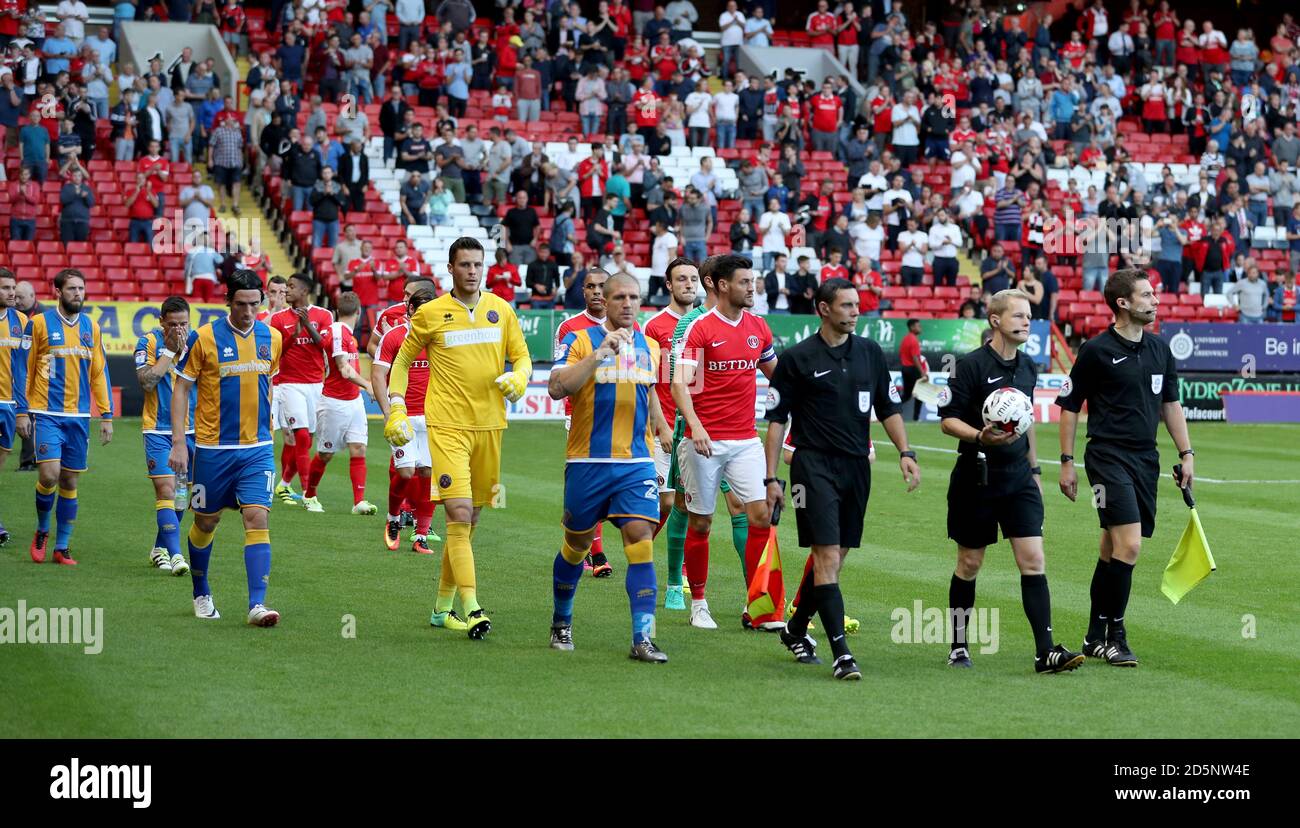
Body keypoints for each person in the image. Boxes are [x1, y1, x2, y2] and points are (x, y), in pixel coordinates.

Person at [764, 278, 920, 679]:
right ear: (823, 309)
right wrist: (771, 478)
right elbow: (777, 419)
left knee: (836, 558)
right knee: (827, 556)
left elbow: (887, 407)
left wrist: (905, 452)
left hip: (857, 466)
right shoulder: (796, 358)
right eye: (847, 305)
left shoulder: (869, 352)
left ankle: (796, 628)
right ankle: (841, 654)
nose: (855, 311)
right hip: (811, 466)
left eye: (856, 305)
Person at [383, 237, 533, 640]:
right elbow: (400, 364)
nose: (472, 271)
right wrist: (397, 406)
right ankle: (473, 607)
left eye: (477, 264)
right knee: (459, 514)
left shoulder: (500, 310)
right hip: (446, 426)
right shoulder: (430, 314)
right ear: (450, 268)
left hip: (490, 427)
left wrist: (519, 377)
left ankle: (441, 608)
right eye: (464, 264)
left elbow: (522, 356)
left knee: (471, 521)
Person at [939, 289, 1084, 673]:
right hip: (976, 475)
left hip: (1018, 477)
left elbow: (1026, 424)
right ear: (996, 321)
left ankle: (1046, 651)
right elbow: (947, 421)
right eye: (1018, 315)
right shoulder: (968, 366)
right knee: (970, 563)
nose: (1026, 321)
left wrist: (1035, 470)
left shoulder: (1028, 367)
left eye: (1029, 315)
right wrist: (979, 436)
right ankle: (957, 645)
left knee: (1033, 559)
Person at [1057, 269, 1194, 668]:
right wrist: (1067, 463)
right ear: (1123, 303)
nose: (1154, 300)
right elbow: (1069, 406)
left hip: (1144, 459)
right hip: (1105, 458)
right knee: (1129, 546)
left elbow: (1170, 405)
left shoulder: (1160, 349)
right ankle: (1117, 636)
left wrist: (1187, 452)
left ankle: (1094, 636)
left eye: (1154, 294)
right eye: (1146, 295)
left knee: (1111, 548)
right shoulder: (1096, 350)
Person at [546, 271, 673, 661]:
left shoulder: (651, 347)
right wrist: (599, 353)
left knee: (640, 540)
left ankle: (643, 637)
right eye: (619, 297)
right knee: (576, 546)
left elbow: (648, 389)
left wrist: (661, 423)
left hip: (635, 462)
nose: (628, 304)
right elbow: (556, 387)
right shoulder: (579, 339)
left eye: (634, 297)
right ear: (605, 300)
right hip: (587, 461)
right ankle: (562, 620)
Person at [170, 269, 283, 626]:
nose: (248, 311)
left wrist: (276, 426)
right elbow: (182, 389)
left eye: (254, 304)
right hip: (212, 449)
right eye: (241, 304)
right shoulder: (203, 338)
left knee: (257, 516)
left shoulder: (272, 337)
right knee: (207, 520)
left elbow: (269, 384)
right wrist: (178, 442)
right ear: (227, 302)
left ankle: (257, 605)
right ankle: (201, 592)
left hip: (258, 448)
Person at [672, 254, 778, 630]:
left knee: (760, 516)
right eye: (744, 282)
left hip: (746, 440)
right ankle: (698, 603)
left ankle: (759, 604)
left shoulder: (758, 328)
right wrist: (696, 426)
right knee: (701, 522)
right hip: (702, 441)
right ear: (719, 285)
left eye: (753, 281)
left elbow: (778, 376)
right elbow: (679, 382)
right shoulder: (699, 328)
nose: (752, 288)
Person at [17, 269, 113, 565]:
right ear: (57, 291)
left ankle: (62, 547)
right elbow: (24, 369)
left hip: (79, 416)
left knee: (70, 481)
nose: (78, 294)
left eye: (81, 289)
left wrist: (106, 414)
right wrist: (23, 411)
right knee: (49, 474)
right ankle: (43, 530)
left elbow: (99, 372)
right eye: (72, 289)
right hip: (46, 413)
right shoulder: (38, 324)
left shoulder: (92, 327)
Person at [372, 281, 445, 558]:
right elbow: (378, 375)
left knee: (427, 473)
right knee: (405, 472)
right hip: (403, 415)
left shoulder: (441, 338)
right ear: (410, 310)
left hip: (434, 417)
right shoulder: (394, 337)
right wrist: (388, 412)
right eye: (422, 311)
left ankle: (421, 535)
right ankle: (393, 519)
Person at [135, 295, 197, 575]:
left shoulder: (198, 342)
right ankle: (176, 556)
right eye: (173, 325)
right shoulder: (148, 342)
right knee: (166, 490)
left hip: (194, 430)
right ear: (162, 323)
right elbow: (147, 383)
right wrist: (169, 352)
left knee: (183, 497)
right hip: (158, 429)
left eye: (184, 324)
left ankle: (159, 548)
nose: (179, 330)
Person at [301, 292, 377, 515]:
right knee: (325, 454)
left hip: (353, 401)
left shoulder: (344, 334)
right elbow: (343, 369)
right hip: (333, 402)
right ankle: (310, 495)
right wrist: (367, 384)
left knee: (359, 448)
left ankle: (358, 502)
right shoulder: (337, 331)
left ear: (335, 311)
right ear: (360, 312)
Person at [268, 273, 333, 504]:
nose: (286, 291)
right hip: (289, 384)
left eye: (291, 287)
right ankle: (308, 494)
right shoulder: (278, 319)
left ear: (304, 291)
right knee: (301, 436)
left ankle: (284, 484)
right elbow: (276, 354)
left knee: (308, 438)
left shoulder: (323, 315)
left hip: (316, 384)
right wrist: (292, 336)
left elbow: (325, 345)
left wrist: (305, 325)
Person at [0, 269, 28, 546]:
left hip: (9, 406)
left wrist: (22, 410)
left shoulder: (21, 321)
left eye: (13, 288)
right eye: (6, 288)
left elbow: (23, 370)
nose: (12, 293)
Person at [899, 318, 927, 421]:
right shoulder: (913, 339)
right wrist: (922, 372)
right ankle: (916, 418)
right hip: (912, 369)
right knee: (919, 395)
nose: (920, 328)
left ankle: (891, 408)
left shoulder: (905, 338)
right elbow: (915, 357)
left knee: (906, 395)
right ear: (912, 327)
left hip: (905, 369)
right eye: (918, 326)